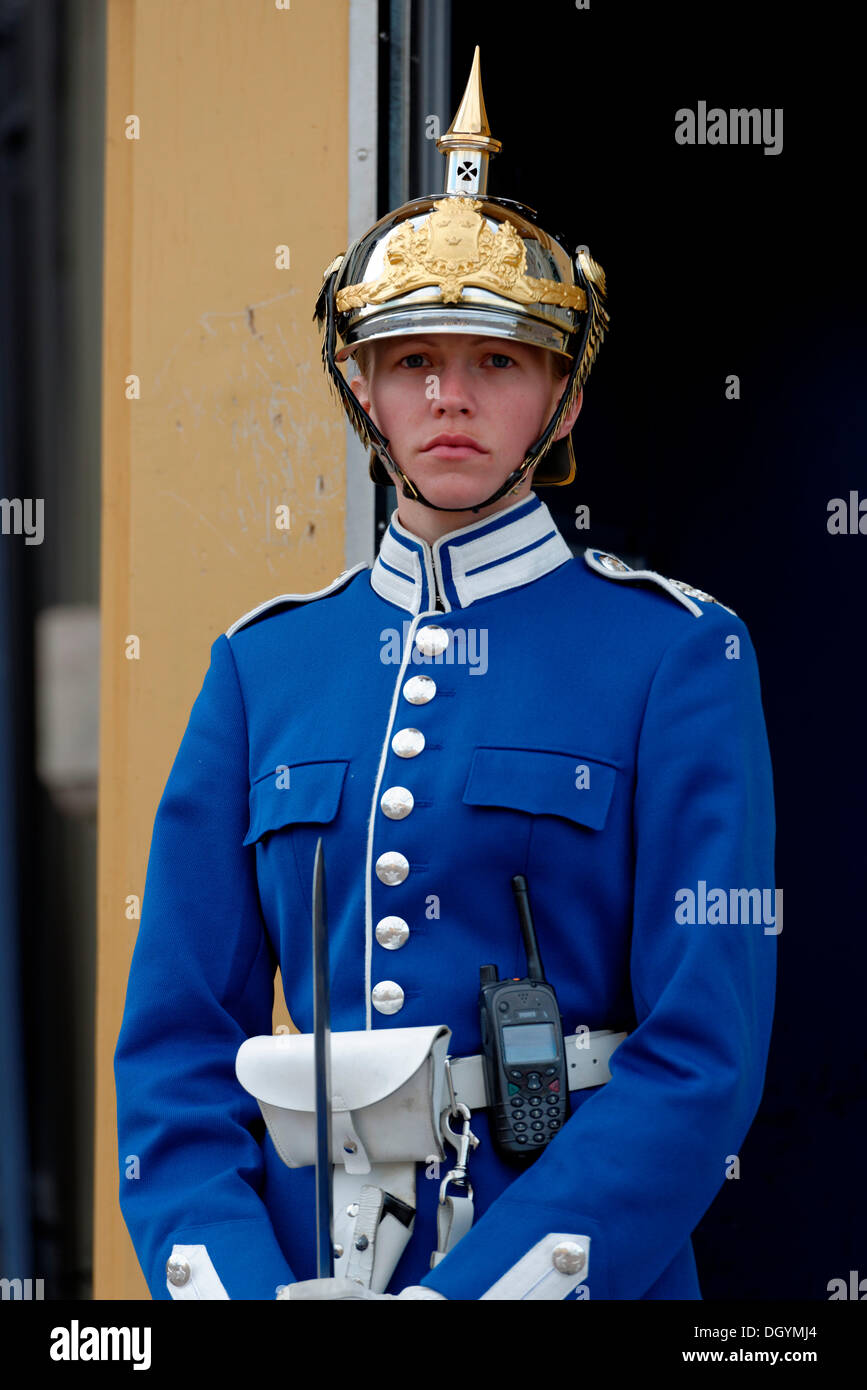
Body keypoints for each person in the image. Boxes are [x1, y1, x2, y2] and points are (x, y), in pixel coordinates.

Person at [114, 49, 776, 1301]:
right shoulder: (264, 667)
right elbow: (173, 1055)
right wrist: (239, 1294)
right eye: (414, 361)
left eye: (499, 363)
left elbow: (701, 1053)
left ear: (564, 399)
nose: (452, 397)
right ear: (362, 390)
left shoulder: (678, 654)